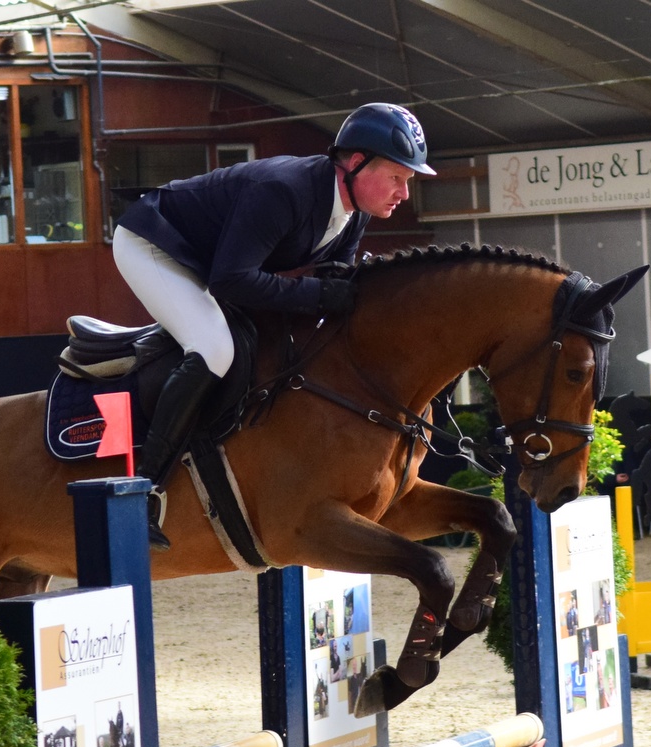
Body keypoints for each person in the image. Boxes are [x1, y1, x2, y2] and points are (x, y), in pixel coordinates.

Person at [113, 102, 434, 549]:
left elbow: (333, 288)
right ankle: (142, 490)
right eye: (398, 177)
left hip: (210, 260)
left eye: (408, 181)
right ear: (356, 163)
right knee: (214, 348)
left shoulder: (354, 211)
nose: (404, 192)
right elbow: (232, 280)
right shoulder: (284, 190)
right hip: (155, 245)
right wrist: (320, 296)